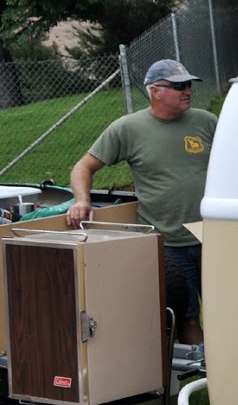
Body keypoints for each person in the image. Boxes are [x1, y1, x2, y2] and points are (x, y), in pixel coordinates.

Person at [67, 59, 217, 349]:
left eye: (188, 85)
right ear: (155, 91)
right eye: (178, 86)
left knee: (227, 312)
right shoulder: (128, 128)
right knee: (186, 316)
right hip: (168, 242)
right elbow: (83, 167)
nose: (187, 91)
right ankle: (202, 377)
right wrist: (82, 201)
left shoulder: (206, 122)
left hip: (212, 236)